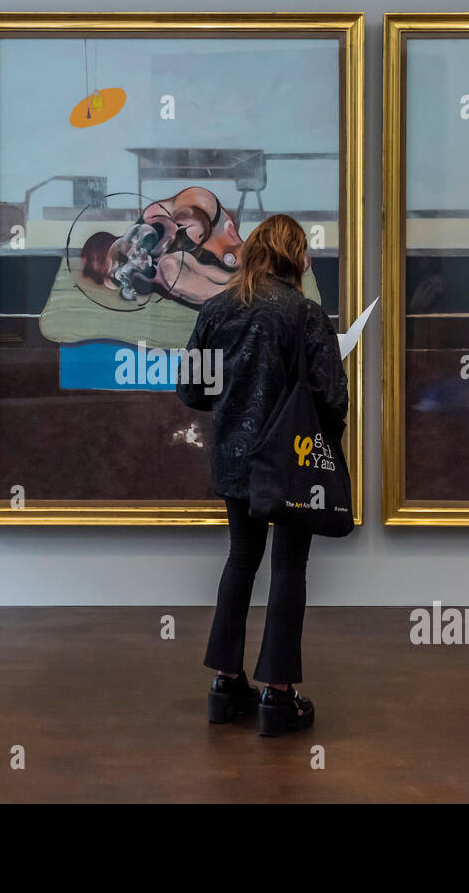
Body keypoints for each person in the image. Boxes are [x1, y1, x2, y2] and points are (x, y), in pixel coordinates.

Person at [177, 213, 348, 737]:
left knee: (241, 558)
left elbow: (192, 392)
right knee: (288, 567)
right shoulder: (307, 315)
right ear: (295, 256)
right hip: (291, 462)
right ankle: (278, 694)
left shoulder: (216, 310)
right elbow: (333, 398)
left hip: (234, 459)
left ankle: (226, 685)